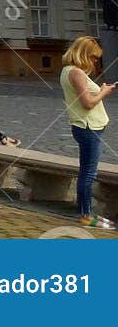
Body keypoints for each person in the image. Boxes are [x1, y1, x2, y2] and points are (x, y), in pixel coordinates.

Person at [61, 36, 116, 229]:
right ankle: (85, 215)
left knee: (87, 171)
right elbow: (88, 103)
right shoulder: (76, 73)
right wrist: (104, 92)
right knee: (88, 173)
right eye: (93, 57)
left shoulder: (69, 70)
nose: (94, 62)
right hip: (88, 127)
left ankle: (87, 213)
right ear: (83, 54)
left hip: (86, 126)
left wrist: (100, 90)